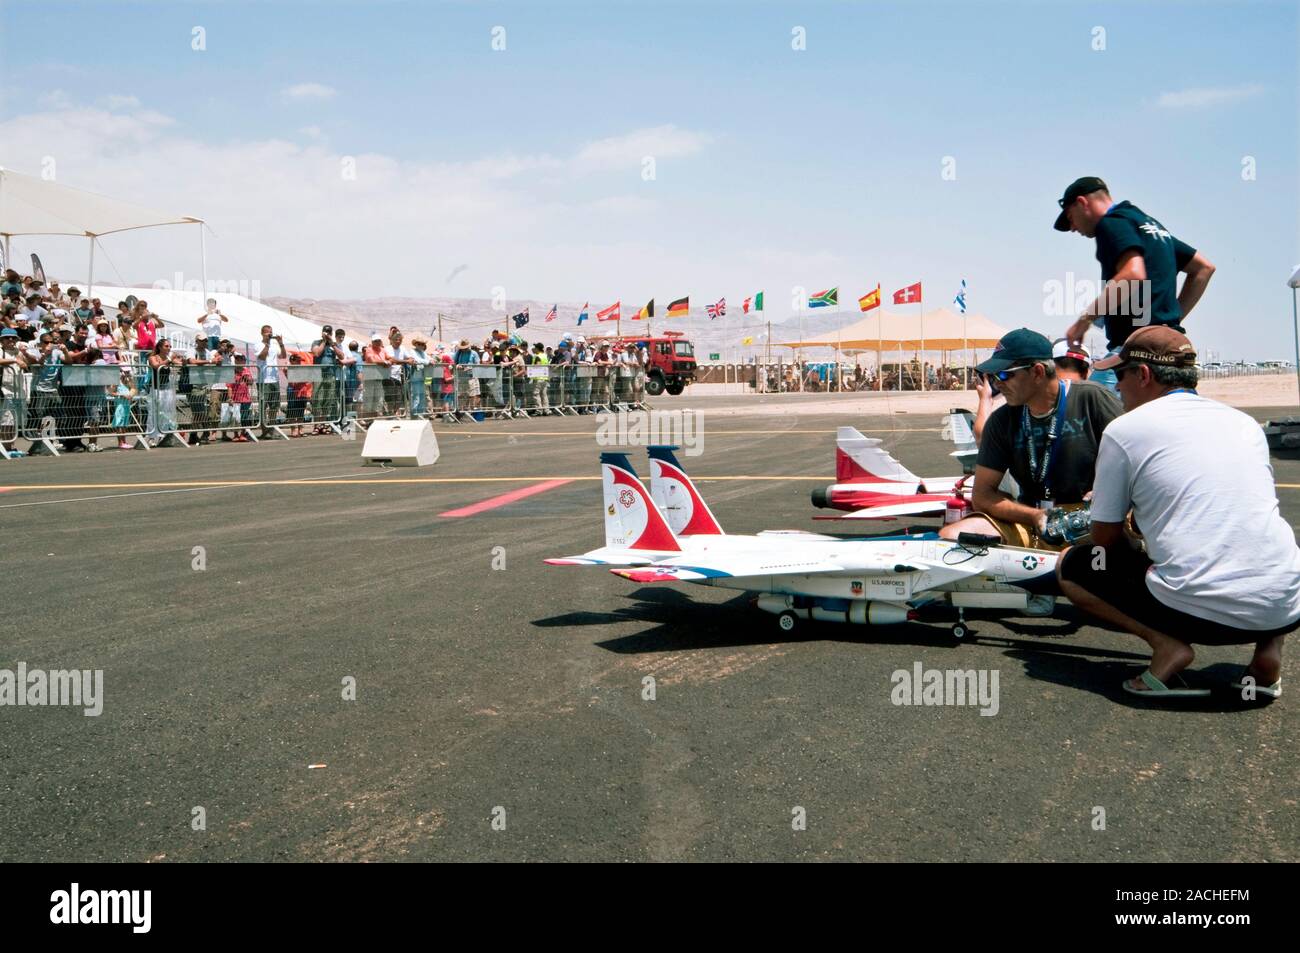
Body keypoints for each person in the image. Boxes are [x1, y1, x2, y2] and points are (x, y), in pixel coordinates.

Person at [1058, 327, 1299, 699]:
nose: (1116, 387)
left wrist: (1140, 547)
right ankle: (1268, 654)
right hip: (1284, 605)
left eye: (1120, 375)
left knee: (1073, 567)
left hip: (1199, 616)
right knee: (1266, 540)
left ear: (1143, 375)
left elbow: (1105, 538)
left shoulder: (1125, 431)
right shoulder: (1245, 423)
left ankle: (1167, 647)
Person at [941, 328, 1121, 550]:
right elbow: (983, 495)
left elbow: (1140, 456)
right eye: (993, 377)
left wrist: (1111, 489)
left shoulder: (1092, 398)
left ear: (1037, 372)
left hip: (1090, 521)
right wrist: (1035, 516)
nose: (998, 384)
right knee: (952, 536)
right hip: (1033, 519)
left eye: (1005, 375)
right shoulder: (1001, 420)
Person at [1055, 176, 1215, 392]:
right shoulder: (1149, 225)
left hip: (1133, 353)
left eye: (1070, 218)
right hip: (1171, 350)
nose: (1073, 227)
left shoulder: (1110, 223)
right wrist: (1169, 321)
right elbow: (1203, 268)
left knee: (1087, 407)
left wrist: (1083, 321)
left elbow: (1133, 274)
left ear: (1082, 203)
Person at [254, 325, 287, 434]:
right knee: (263, 405)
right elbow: (262, 357)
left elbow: (283, 356)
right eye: (267, 332)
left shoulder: (274, 346)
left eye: (271, 332)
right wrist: (267, 343)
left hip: (274, 379)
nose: (270, 334)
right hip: (263, 380)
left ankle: (271, 428)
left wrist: (281, 343)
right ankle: (264, 429)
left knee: (274, 405)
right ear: (262, 333)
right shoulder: (258, 345)